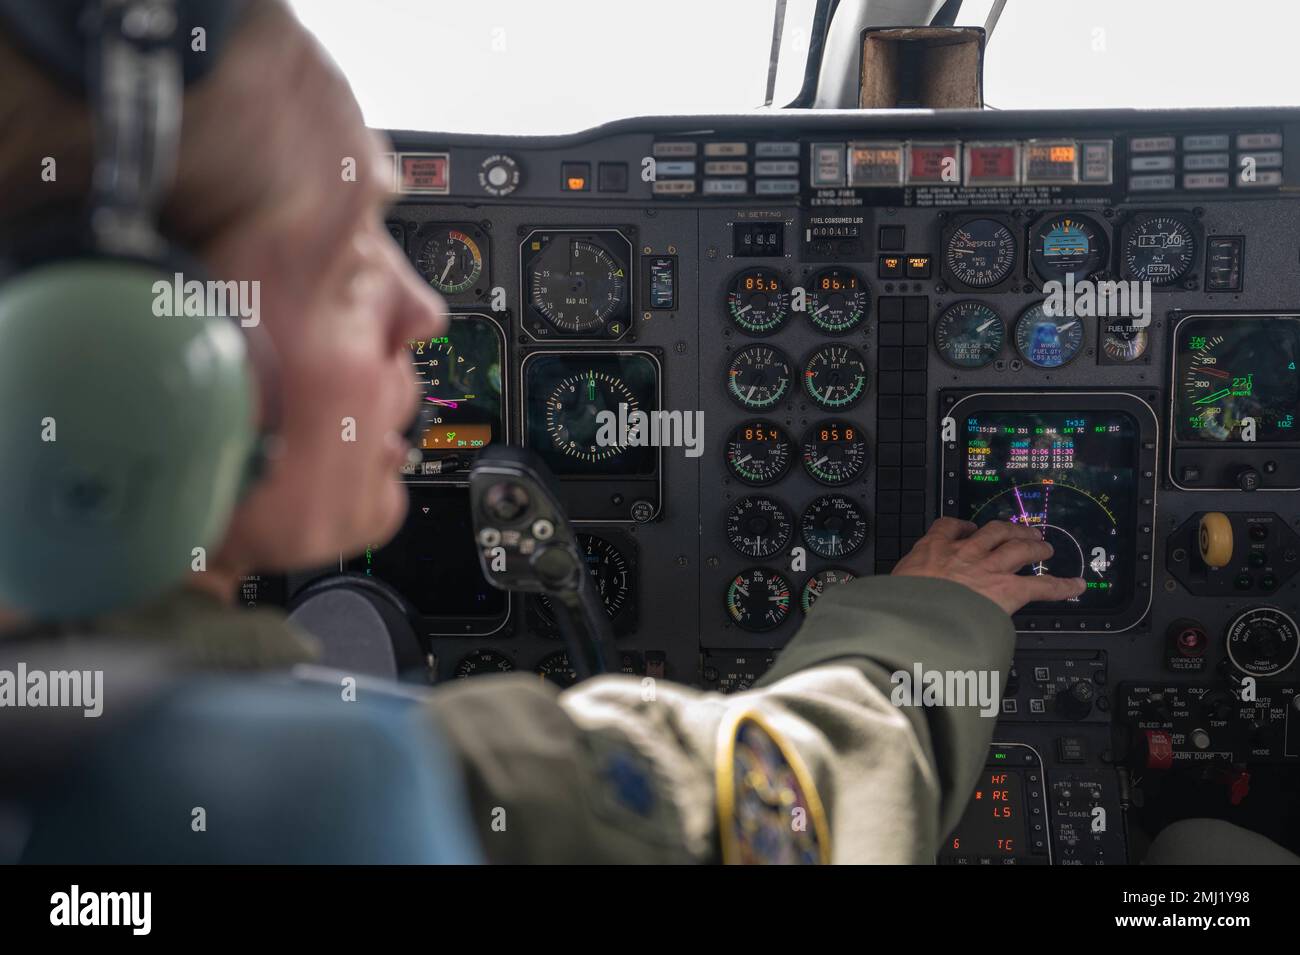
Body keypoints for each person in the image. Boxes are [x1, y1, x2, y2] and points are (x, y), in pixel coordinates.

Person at [0, 0, 1087, 863]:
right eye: (343, 260)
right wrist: (938, 610)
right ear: (107, 360)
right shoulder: (421, 787)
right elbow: (825, 789)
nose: (421, 313)